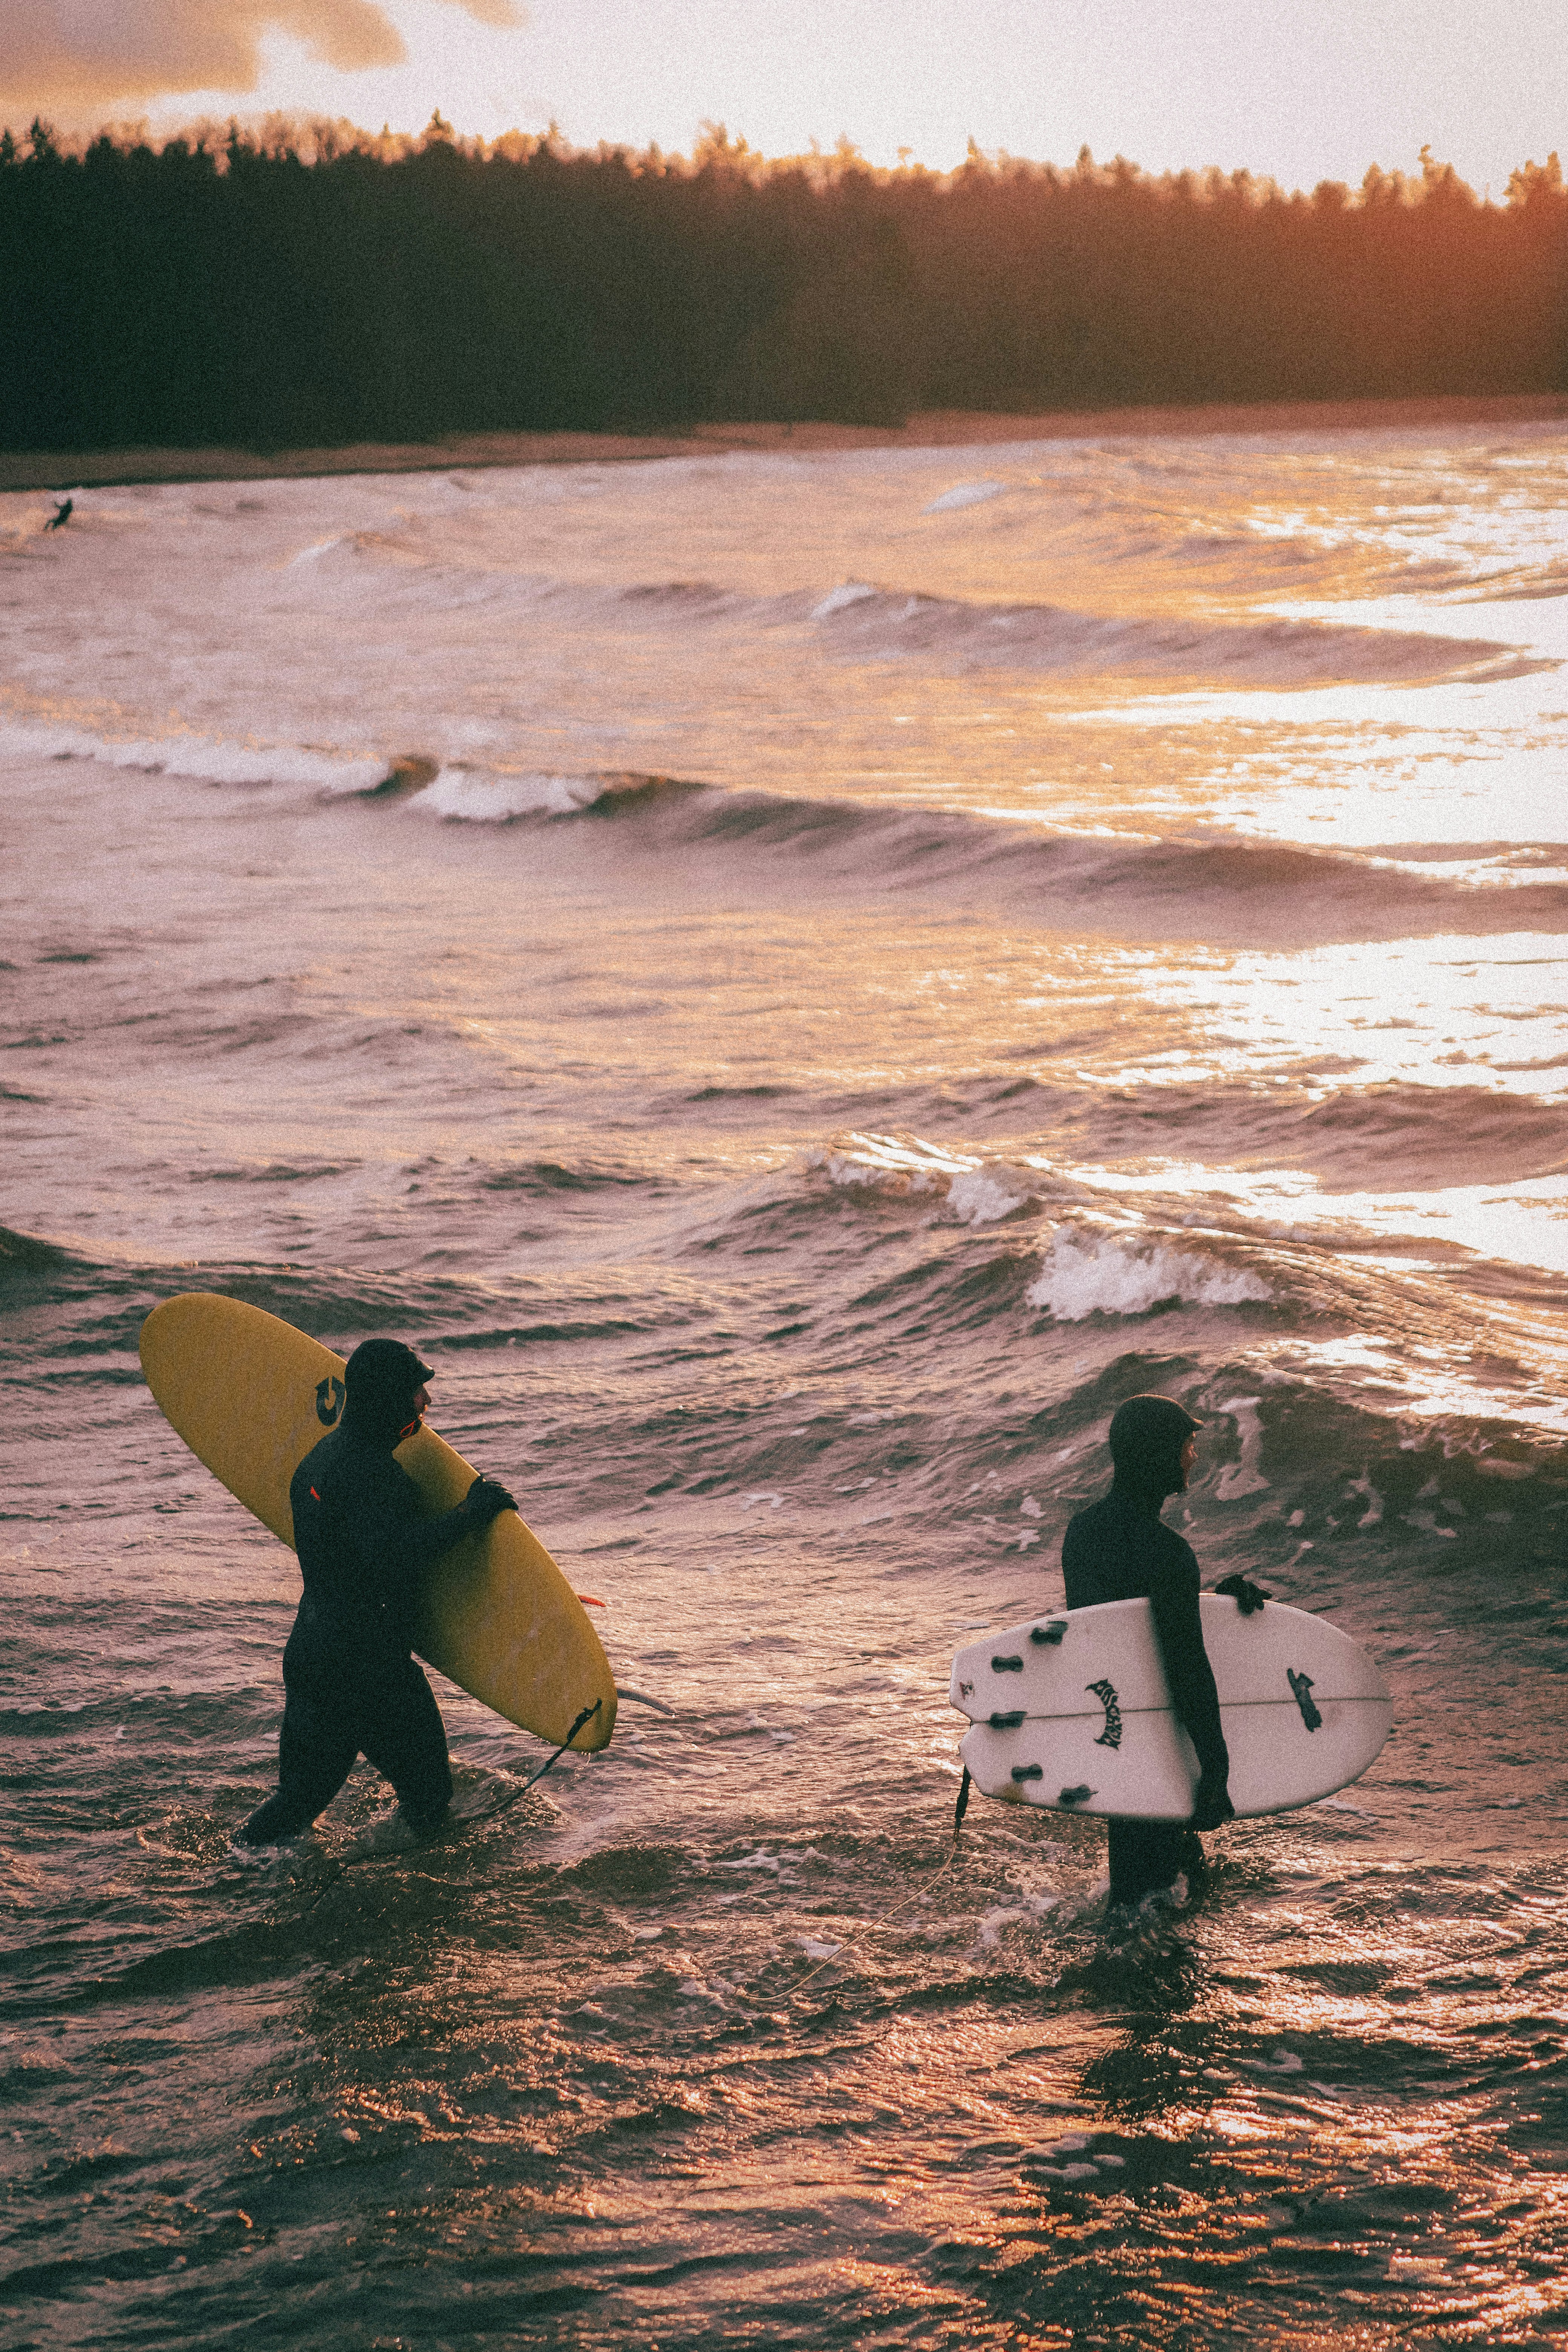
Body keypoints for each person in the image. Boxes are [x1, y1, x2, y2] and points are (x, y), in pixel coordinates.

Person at [239, 1339, 516, 1846]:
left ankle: (236, 1868)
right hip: (369, 1671)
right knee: (430, 1799)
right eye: (416, 1394)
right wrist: (470, 1514)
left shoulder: (321, 1458)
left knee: (297, 1800)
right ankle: (405, 1887)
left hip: (312, 1654)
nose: (425, 1404)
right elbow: (394, 1553)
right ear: (390, 1401)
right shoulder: (373, 1474)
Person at [1061, 1394, 1267, 1911]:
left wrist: (1213, 1611)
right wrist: (1216, 1768)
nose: (1192, 1458)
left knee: (1145, 1880)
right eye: (1186, 1445)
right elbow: (1184, 1667)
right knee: (1158, 1901)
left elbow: (1116, 1633)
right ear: (1159, 1455)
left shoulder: (1083, 1534)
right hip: (1157, 1733)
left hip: (1112, 1729)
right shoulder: (1168, 1553)